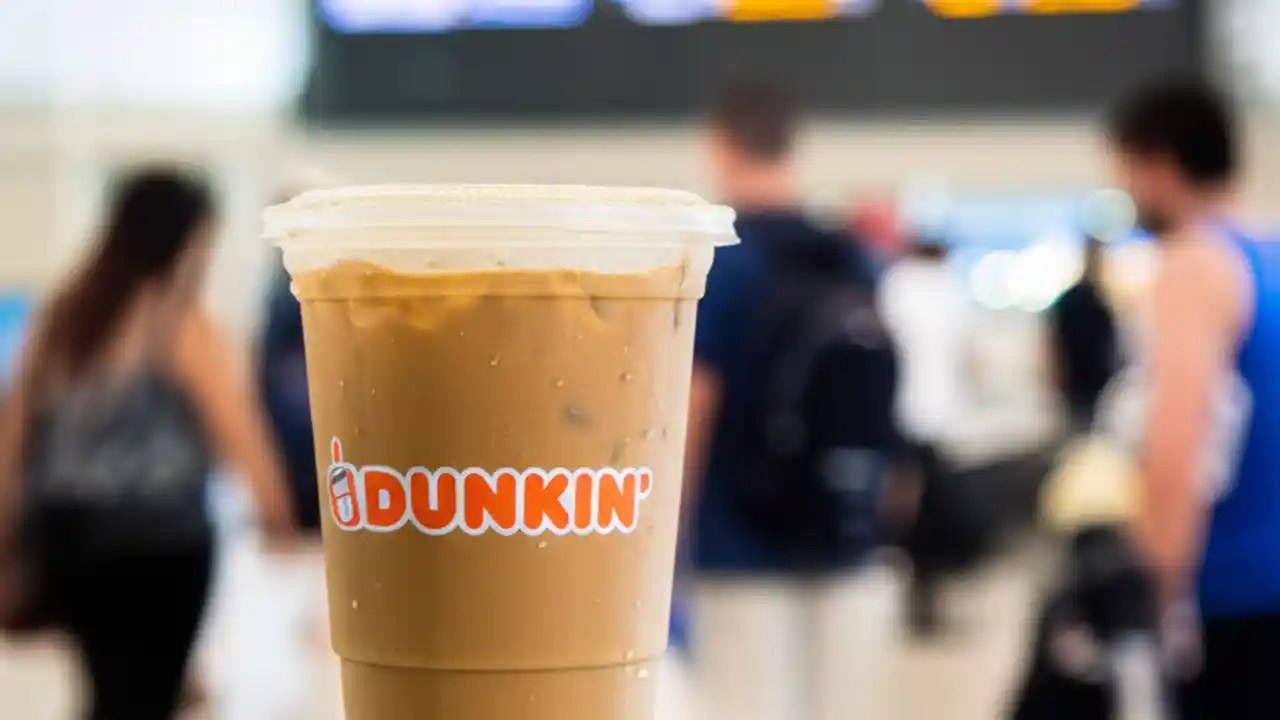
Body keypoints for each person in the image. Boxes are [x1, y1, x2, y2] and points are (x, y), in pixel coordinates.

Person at [0, 168, 295, 720]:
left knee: (108, 690)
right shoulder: (178, 321)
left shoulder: (64, 319)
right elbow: (239, 432)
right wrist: (276, 515)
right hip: (161, 548)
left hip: (72, 542)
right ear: (186, 238)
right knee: (149, 696)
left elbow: (13, 436)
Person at [686, 82, 899, 720]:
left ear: (720, 148)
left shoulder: (719, 264)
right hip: (845, 530)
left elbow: (697, 404)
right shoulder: (852, 257)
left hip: (739, 539)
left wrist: (670, 540)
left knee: (748, 706)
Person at [1107, 79, 1279, 718]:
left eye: (1125, 171)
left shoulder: (1191, 265)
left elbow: (1176, 446)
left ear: (1158, 163)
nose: (1125, 191)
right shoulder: (1268, 256)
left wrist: (1153, 599)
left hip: (1232, 593)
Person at [878, 236, 976, 635]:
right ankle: (923, 600)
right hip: (932, 420)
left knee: (912, 517)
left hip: (903, 417)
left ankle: (918, 600)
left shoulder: (895, 284)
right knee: (928, 517)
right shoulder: (943, 290)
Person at [1047, 237, 1120, 429]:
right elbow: (1055, 341)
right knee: (1080, 432)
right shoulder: (1074, 300)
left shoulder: (1102, 298)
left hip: (1099, 382)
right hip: (1078, 382)